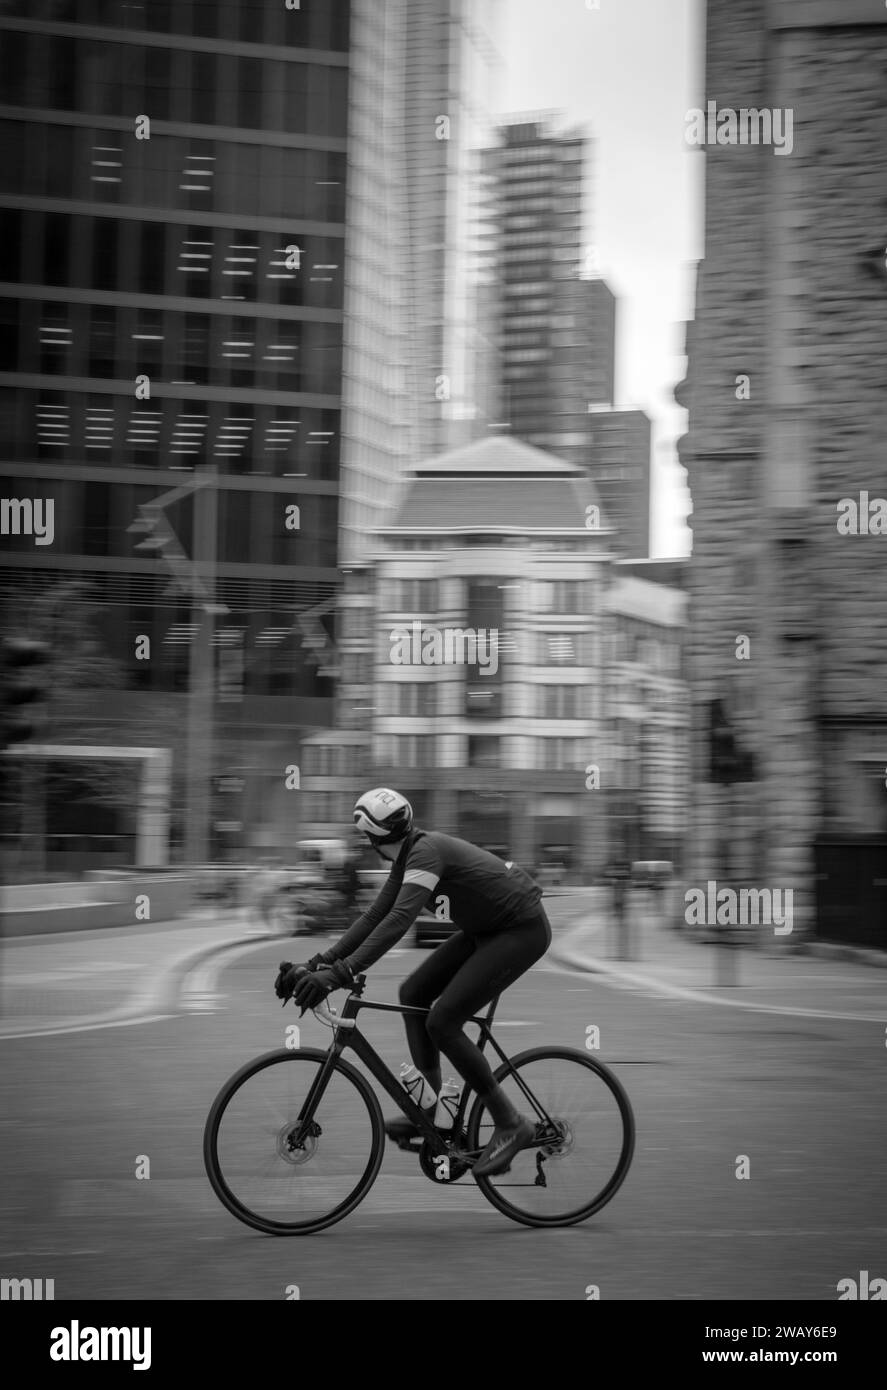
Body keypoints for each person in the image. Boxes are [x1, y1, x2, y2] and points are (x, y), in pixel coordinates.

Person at [274, 788, 551, 1177]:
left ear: (371, 839)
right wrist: (316, 963)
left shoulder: (424, 853)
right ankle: (433, 1108)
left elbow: (396, 923)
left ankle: (510, 1123)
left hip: (521, 930)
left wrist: (339, 975)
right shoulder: (409, 858)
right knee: (414, 993)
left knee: (443, 1021)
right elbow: (373, 917)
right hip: (488, 929)